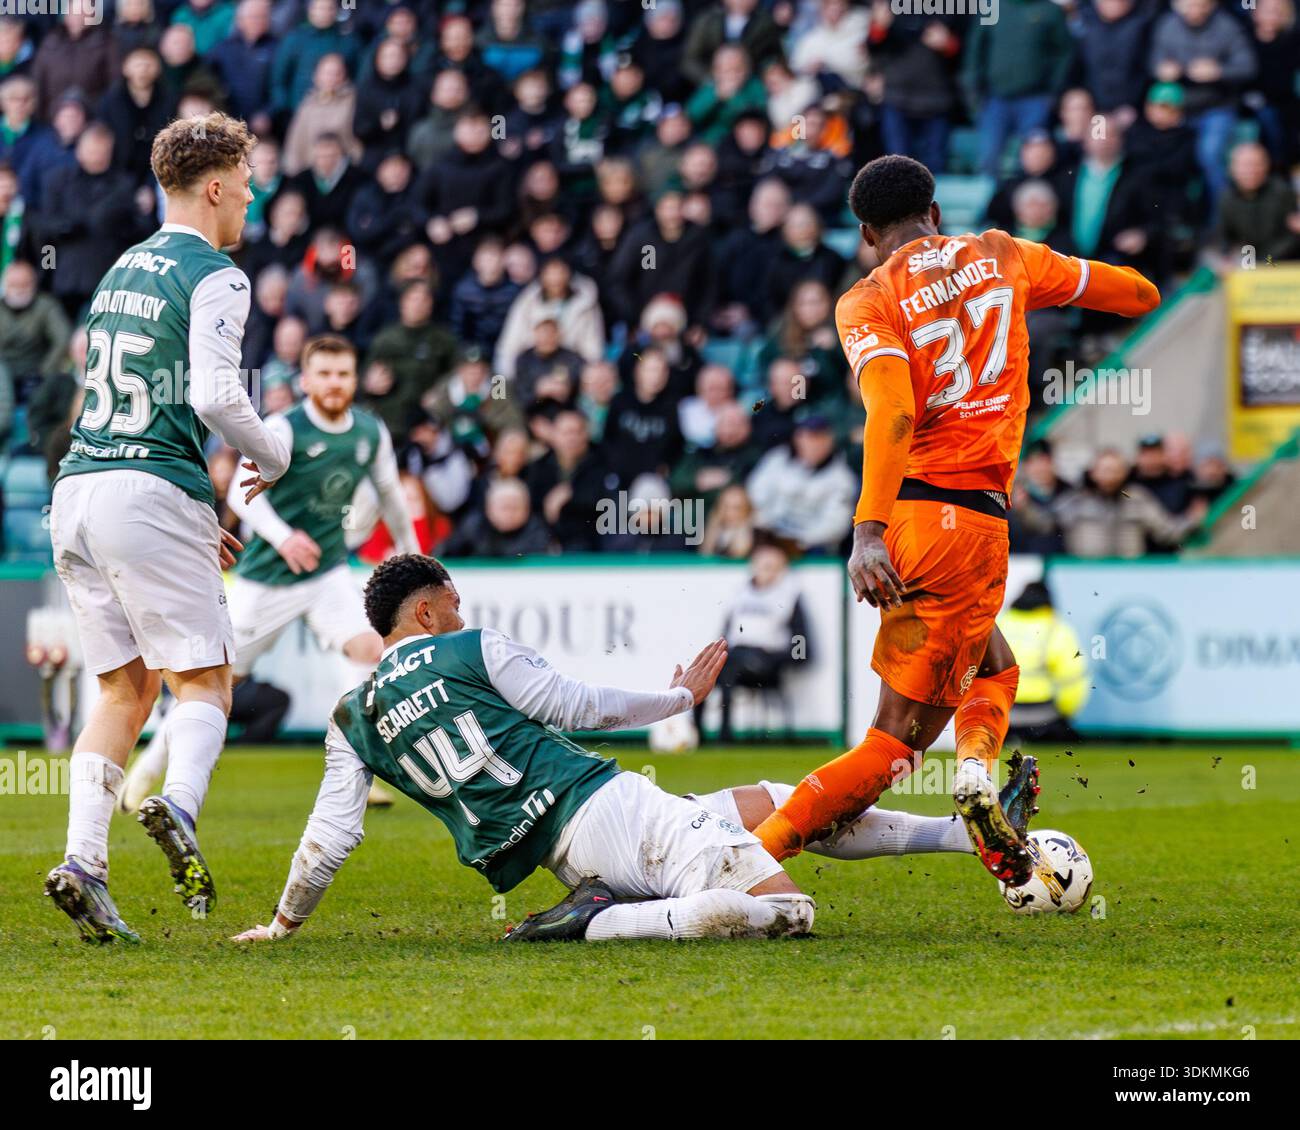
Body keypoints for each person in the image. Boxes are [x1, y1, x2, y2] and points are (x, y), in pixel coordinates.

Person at [231, 555, 1039, 944]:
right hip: (609, 806)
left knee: (779, 802)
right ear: (431, 609)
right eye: (453, 599)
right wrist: (678, 699)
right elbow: (576, 706)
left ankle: (961, 832)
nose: (460, 606)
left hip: (563, 846)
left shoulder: (350, 716)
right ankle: (597, 925)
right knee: (789, 910)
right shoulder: (468, 646)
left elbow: (332, 836)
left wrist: (282, 923)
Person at [751, 155, 1160, 884]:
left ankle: (974, 772)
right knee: (895, 747)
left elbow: (895, 408)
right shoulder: (1004, 255)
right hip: (965, 525)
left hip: (912, 525)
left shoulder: (867, 299)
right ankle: (742, 863)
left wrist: (874, 528)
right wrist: (863, 532)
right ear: (935, 213)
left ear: (868, 234)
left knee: (995, 668)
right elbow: (1137, 295)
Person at [44, 113, 292, 944]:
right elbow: (219, 398)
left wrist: (181, 516)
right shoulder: (216, 273)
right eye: (248, 182)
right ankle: (179, 805)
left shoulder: (118, 268)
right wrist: (275, 454)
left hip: (78, 489)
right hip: (147, 486)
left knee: (122, 690)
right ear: (216, 185)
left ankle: (83, 863)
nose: (253, 197)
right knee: (205, 682)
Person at [119, 334, 418, 813]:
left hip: (327, 574)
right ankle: (147, 770)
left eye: (343, 374)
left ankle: (361, 766)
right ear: (305, 380)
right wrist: (284, 538)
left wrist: (414, 558)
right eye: (324, 374)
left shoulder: (370, 432)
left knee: (368, 648)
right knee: (216, 683)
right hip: (266, 580)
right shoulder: (284, 427)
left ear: (355, 378)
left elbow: (392, 497)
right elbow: (239, 495)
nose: (334, 383)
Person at [996, 581, 1089, 743]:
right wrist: (1066, 713)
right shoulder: (1057, 629)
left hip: (1002, 716)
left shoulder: (1000, 624)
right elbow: (1072, 681)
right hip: (1045, 719)